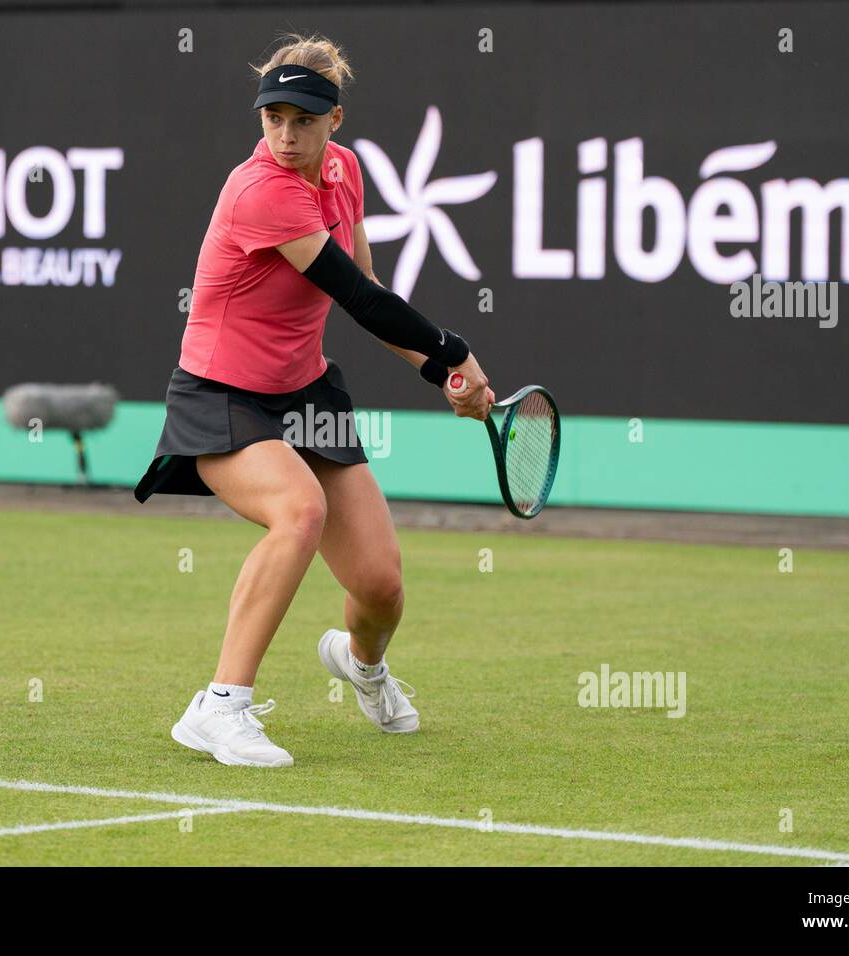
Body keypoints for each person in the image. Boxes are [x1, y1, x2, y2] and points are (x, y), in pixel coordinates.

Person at [133, 33, 494, 767]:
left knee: (381, 587)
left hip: (306, 389)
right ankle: (220, 707)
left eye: (303, 120)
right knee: (299, 510)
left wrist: (442, 376)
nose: (287, 136)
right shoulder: (260, 189)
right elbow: (357, 299)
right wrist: (454, 353)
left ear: (334, 121)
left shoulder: (344, 171)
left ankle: (361, 666)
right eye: (274, 119)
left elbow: (374, 293)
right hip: (223, 393)